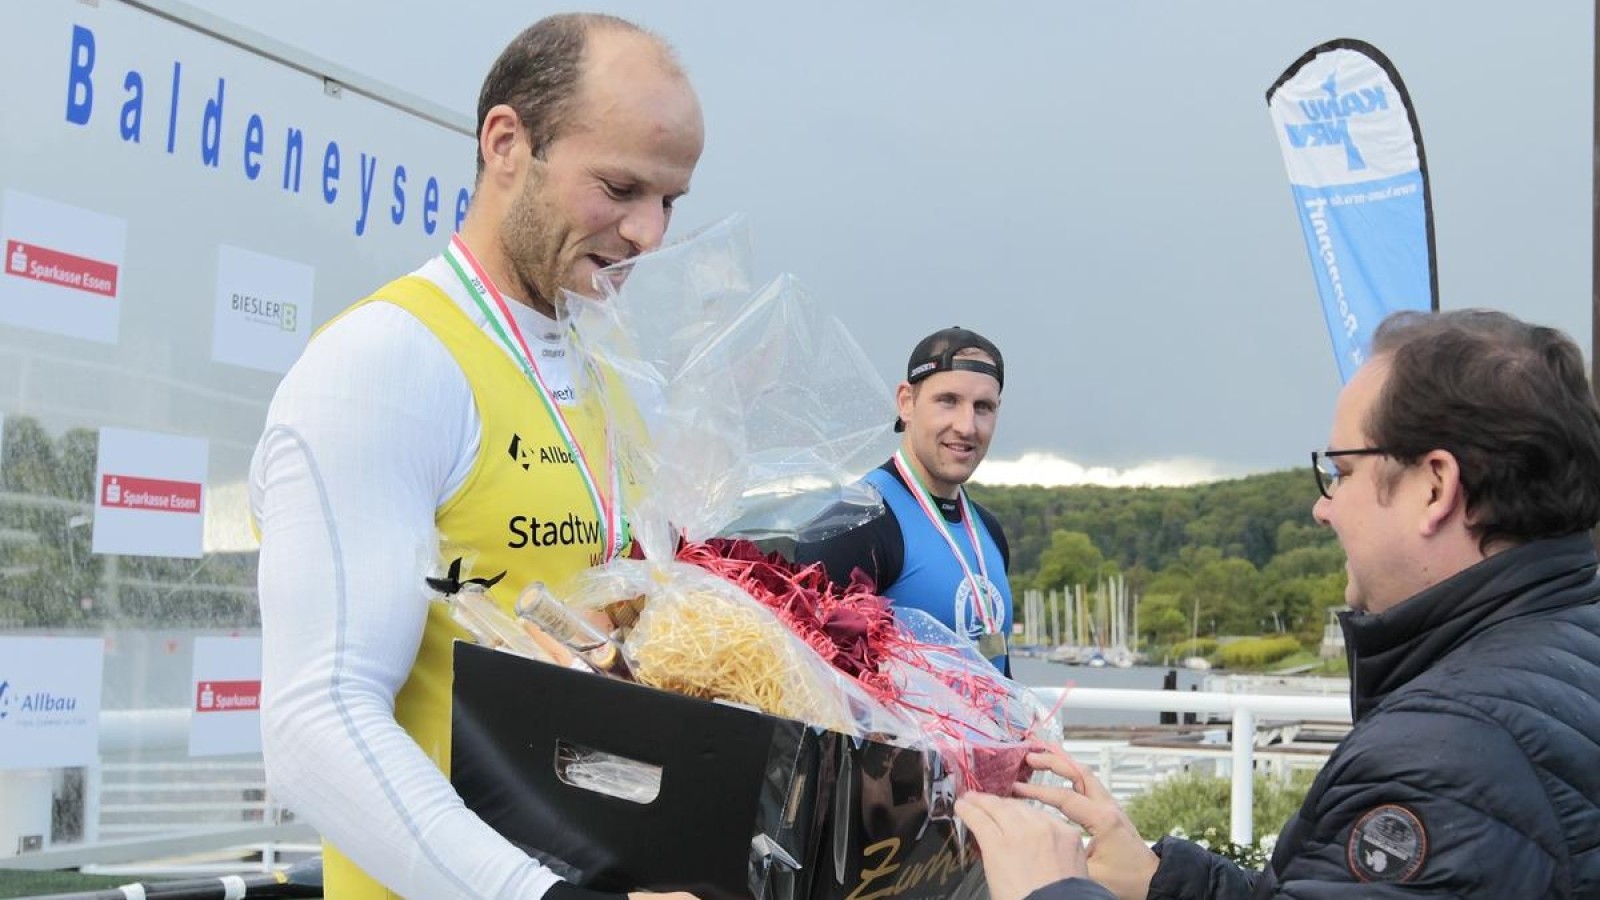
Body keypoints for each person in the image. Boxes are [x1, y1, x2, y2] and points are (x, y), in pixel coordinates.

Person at [249, 14, 704, 900]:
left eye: (671, 200)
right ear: (507, 143)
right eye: (619, 186)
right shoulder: (384, 364)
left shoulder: (621, 377)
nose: (649, 233)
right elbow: (316, 720)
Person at [961, 308, 1600, 900]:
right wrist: (1160, 881)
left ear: (1435, 486)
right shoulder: (1563, 649)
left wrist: (1050, 889)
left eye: (1341, 471)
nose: (1323, 508)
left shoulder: (1447, 758)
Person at [793, 327, 1014, 670]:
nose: (967, 426)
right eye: (948, 401)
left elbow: (999, 671)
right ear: (907, 402)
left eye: (982, 407)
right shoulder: (855, 520)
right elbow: (810, 685)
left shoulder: (988, 530)